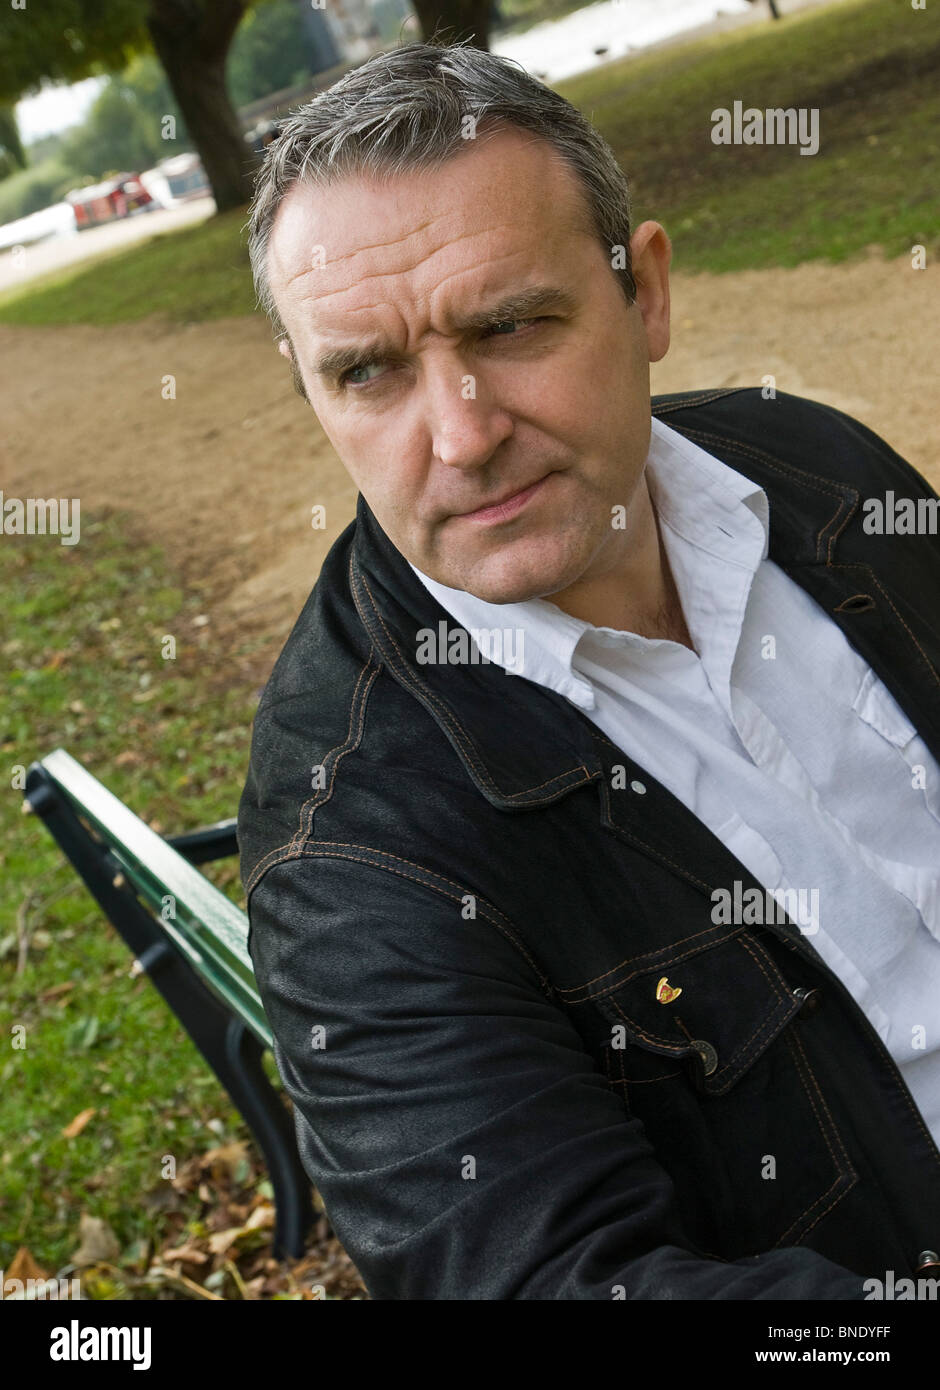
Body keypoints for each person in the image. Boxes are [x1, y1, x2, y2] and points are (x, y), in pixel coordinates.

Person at [237, 41, 940, 1300]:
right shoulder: (353, 847)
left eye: (508, 326)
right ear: (310, 391)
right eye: (368, 371)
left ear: (646, 294)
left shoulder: (816, 464)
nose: (461, 436)